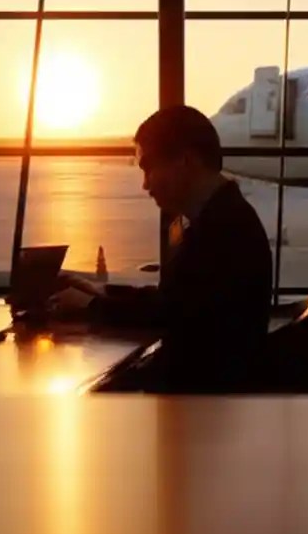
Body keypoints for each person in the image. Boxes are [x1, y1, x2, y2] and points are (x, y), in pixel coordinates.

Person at [49, 105, 273, 393]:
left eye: (149, 167)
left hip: (197, 401)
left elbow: (168, 317)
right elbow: (178, 302)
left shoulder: (222, 232)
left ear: (186, 161)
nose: (145, 184)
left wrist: (91, 307)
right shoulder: (224, 219)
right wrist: (102, 292)